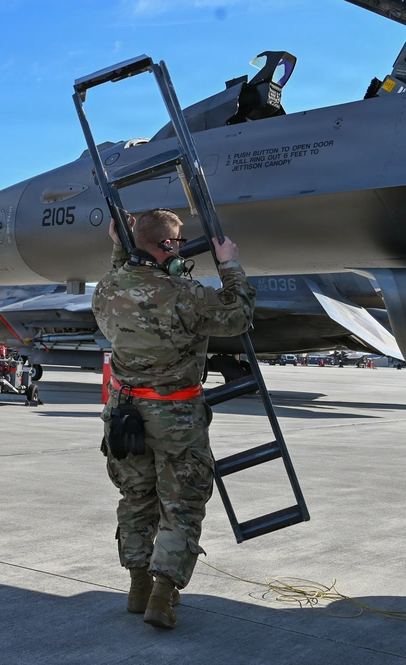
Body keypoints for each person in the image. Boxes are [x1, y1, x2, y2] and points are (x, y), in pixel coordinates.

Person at [92, 208, 255, 630]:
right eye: (177, 243)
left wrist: (118, 246)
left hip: (124, 415)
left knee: (136, 499)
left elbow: (126, 280)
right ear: (167, 246)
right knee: (181, 505)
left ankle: (137, 587)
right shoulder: (185, 294)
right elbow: (239, 315)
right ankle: (162, 596)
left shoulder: (107, 288)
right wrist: (230, 265)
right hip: (175, 416)